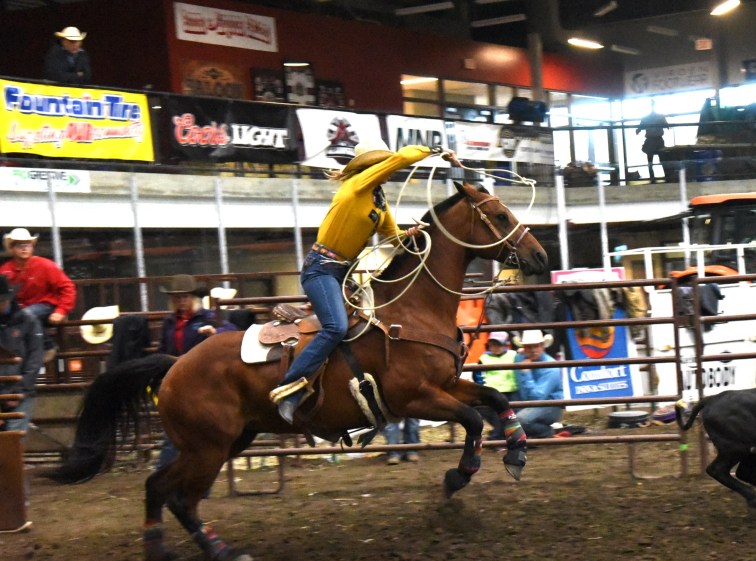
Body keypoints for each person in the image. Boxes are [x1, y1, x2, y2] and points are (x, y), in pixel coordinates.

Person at [269, 138, 463, 425]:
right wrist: (434, 151)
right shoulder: (358, 185)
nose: (387, 168)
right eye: (382, 163)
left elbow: (391, 237)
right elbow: (400, 160)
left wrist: (409, 235)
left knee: (371, 324)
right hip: (321, 270)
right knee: (336, 327)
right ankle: (290, 389)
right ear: (371, 166)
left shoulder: (376, 200)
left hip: (340, 273)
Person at [155, 274, 234, 469]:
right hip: (178, 380)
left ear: (192, 298)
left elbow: (232, 333)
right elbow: (164, 350)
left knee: (189, 433)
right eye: (177, 297)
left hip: (202, 381)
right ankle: (173, 475)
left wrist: (215, 334)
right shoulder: (169, 322)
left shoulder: (209, 317)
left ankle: (166, 475)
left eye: (184, 297)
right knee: (181, 432)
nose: (181, 301)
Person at [1, 228, 77, 362]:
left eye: (27, 245)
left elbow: (67, 287)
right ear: (12, 249)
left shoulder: (46, 265)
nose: (24, 248)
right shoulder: (5, 270)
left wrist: (61, 310)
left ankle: (47, 345)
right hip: (21, 311)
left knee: (25, 315)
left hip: (46, 306)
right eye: (19, 245)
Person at [0, 276, 44, 434]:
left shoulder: (28, 321)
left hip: (19, 389)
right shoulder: (27, 320)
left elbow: (34, 359)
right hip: (12, 385)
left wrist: (20, 390)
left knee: (14, 439)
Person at [513, 329, 564, 439]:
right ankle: (532, 433)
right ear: (524, 348)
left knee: (518, 420)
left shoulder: (551, 367)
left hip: (550, 406)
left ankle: (544, 432)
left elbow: (537, 397)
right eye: (528, 347)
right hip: (526, 402)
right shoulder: (519, 358)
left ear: (542, 346)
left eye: (535, 346)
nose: (532, 350)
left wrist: (526, 374)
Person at [473, 331, 519, 441]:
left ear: (505, 344)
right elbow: (477, 375)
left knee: (508, 414)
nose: (495, 347)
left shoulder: (513, 355)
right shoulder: (484, 358)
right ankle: (497, 437)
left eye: (498, 344)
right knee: (499, 414)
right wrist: (483, 388)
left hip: (512, 389)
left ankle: (498, 436)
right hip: (494, 391)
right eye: (492, 344)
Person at [637, 111, 669, 182]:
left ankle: (653, 178)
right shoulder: (660, 117)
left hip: (651, 141)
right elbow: (667, 126)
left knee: (651, 161)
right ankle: (666, 177)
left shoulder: (646, 118)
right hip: (657, 140)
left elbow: (638, 129)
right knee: (661, 160)